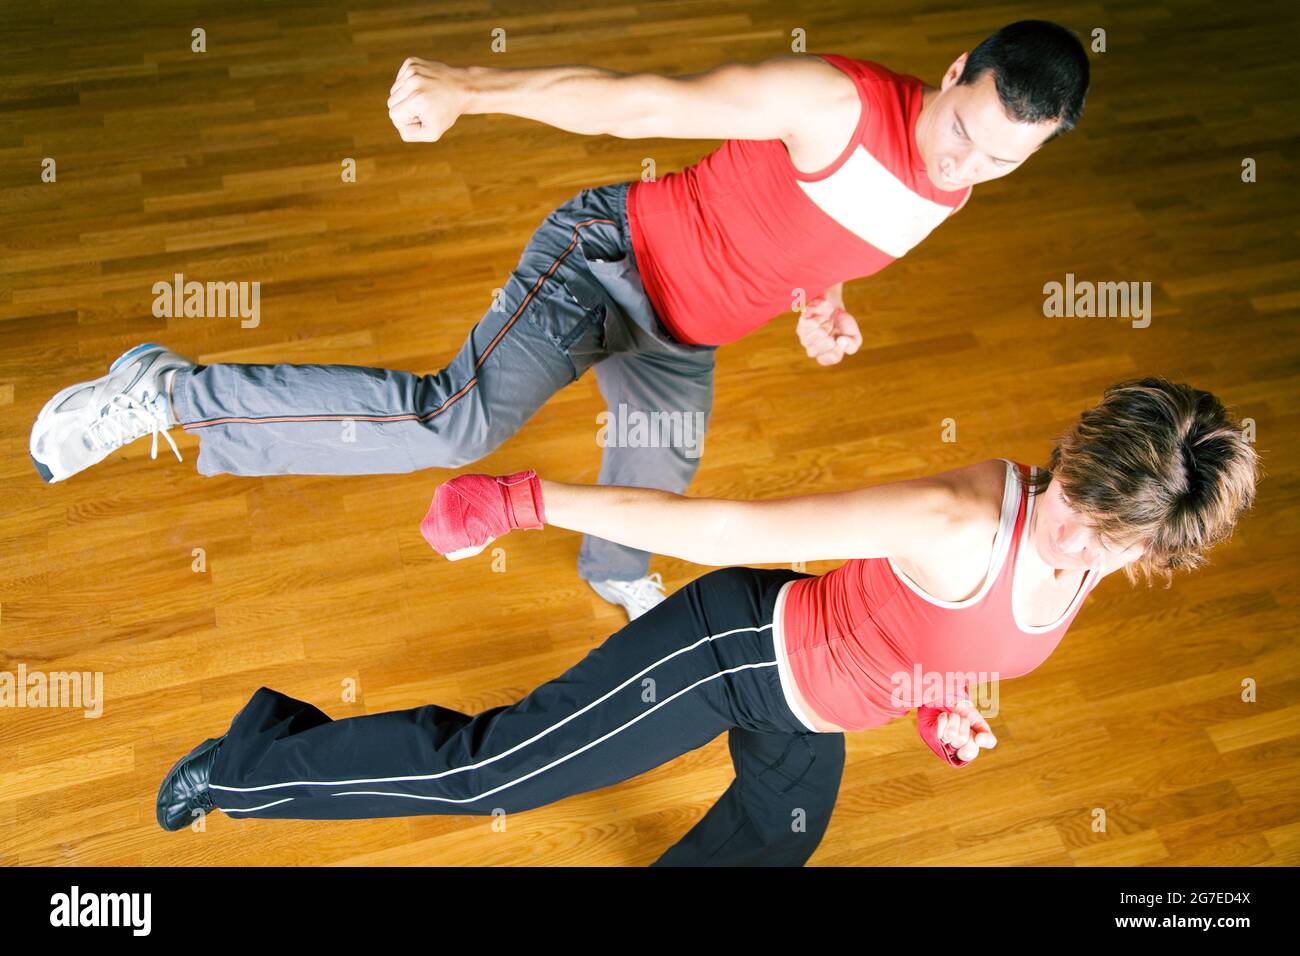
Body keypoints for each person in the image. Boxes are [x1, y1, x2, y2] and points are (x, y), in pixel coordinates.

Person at [30, 21, 1090, 622]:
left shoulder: (956, 182)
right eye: (962, 131)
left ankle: (613, 574)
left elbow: (836, 224)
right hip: (604, 264)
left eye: (999, 158)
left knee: (651, 487)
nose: (965, 162)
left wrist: (822, 301)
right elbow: (635, 100)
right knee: (449, 425)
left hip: (686, 332)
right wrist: (468, 86)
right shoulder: (829, 102)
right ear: (953, 71)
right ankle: (167, 390)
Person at [155, 378, 1261, 865]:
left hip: (817, 702)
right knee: (486, 770)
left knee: (774, 838)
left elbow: (949, 635)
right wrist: (523, 498)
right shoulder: (954, 515)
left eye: (1110, 544)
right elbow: (726, 520)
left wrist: (938, 703)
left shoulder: (1116, 538)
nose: (1075, 546)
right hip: (730, 653)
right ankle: (245, 761)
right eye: (1073, 513)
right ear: (1071, 455)